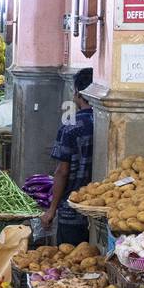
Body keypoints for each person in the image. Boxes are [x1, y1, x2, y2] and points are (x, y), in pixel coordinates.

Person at [42, 68, 95, 246]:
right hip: (98, 209)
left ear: (78, 93)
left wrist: (51, 209)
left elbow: (62, 172)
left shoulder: (70, 126)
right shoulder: (103, 123)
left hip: (72, 210)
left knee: (68, 260)